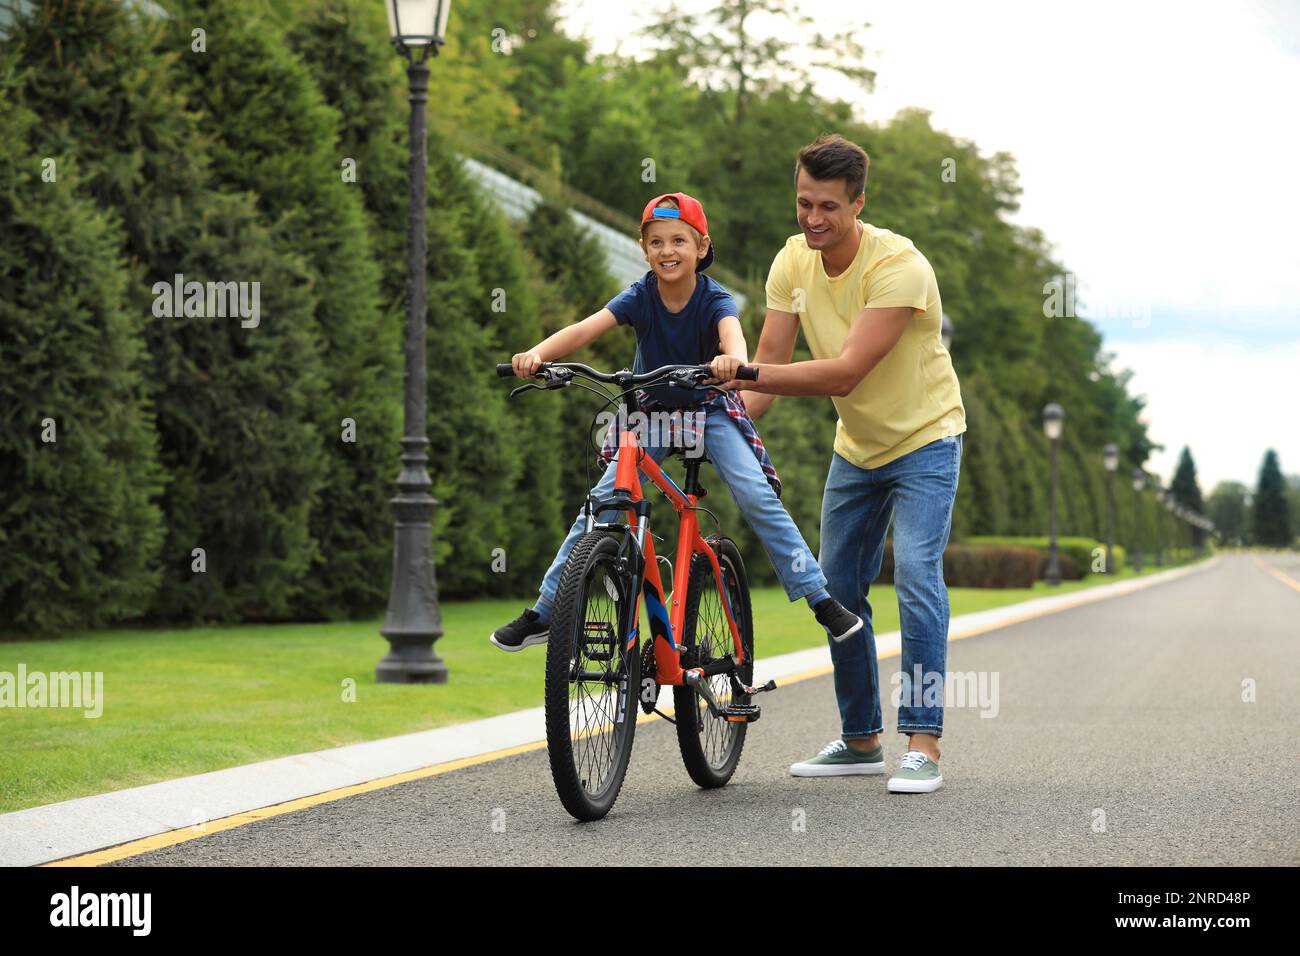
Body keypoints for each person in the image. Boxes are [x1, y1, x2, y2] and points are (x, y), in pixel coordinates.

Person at [491, 192, 863, 652]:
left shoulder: (714, 298)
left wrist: (733, 363)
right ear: (644, 249)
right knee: (601, 500)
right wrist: (538, 355)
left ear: (701, 247)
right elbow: (586, 328)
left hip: (709, 412)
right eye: (657, 242)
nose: (667, 251)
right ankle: (546, 610)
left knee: (755, 494)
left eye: (679, 241)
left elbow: (734, 336)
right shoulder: (639, 295)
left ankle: (819, 598)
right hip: (655, 415)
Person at [721, 135, 966, 794]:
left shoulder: (900, 267)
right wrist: (726, 427)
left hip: (925, 439)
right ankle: (860, 739)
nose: (812, 219)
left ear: (859, 202)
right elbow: (768, 370)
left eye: (828, 206)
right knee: (835, 589)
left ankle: (923, 743)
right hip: (857, 449)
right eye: (804, 203)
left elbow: (848, 372)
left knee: (915, 573)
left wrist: (743, 369)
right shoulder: (791, 264)